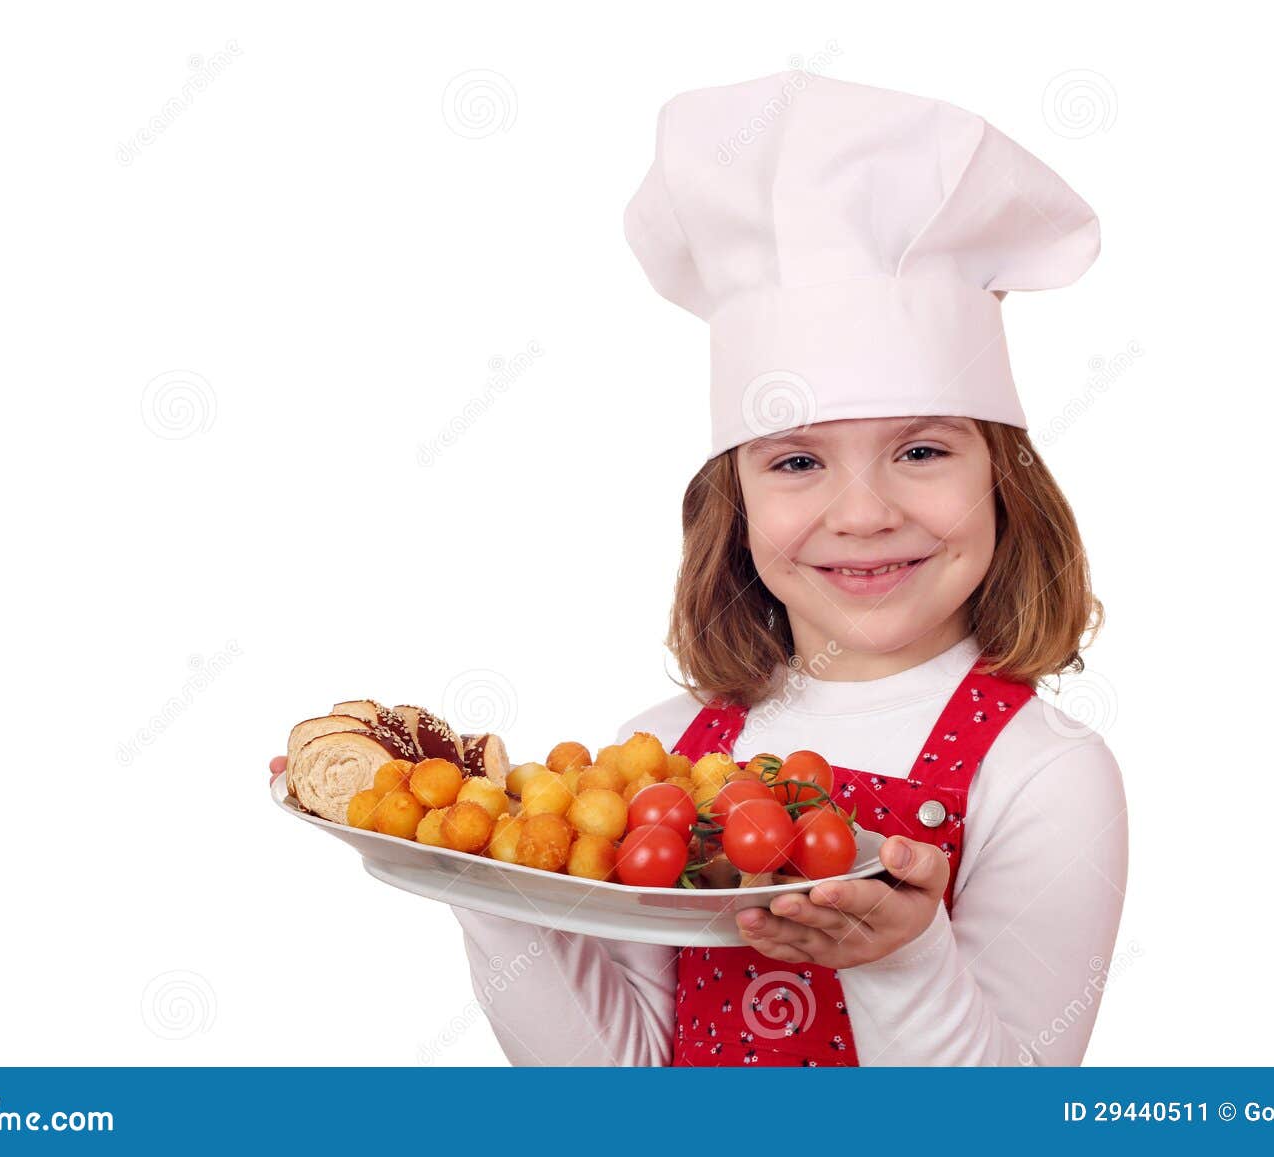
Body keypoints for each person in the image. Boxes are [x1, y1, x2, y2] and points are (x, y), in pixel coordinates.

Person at [452, 71, 1127, 1066]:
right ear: (735, 504)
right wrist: (482, 879)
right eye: (798, 461)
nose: (863, 513)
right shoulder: (665, 745)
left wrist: (902, 958)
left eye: (922, 449)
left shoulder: (1044, 776)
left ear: (1003, 482)